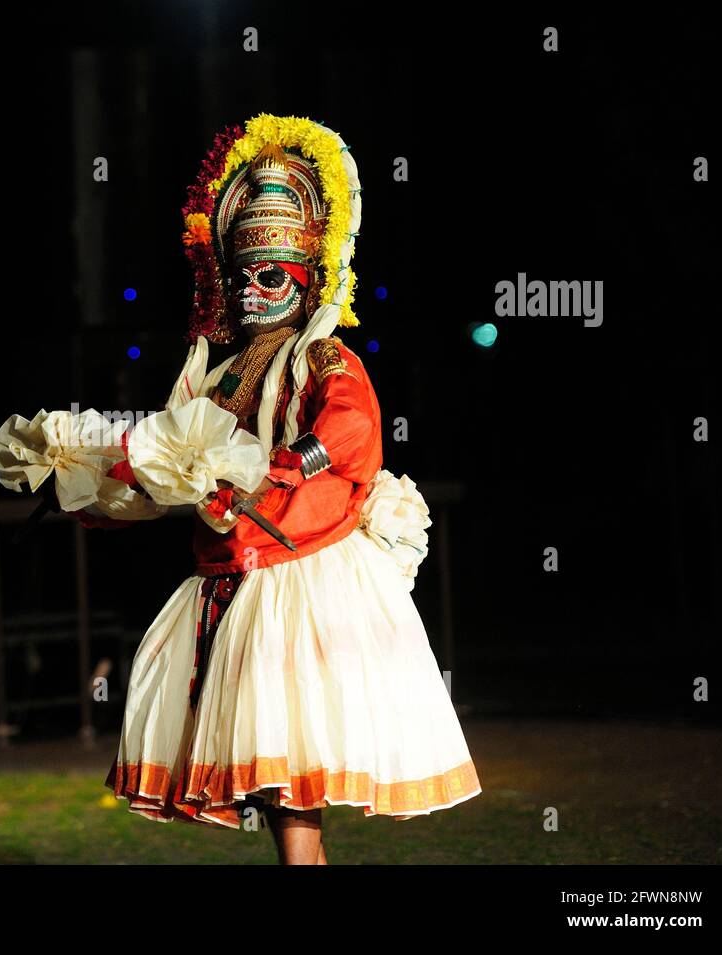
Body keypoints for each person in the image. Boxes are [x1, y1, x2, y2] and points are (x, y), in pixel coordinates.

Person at [88, 115, 480, 863]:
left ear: (307, 278)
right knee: (278, 798)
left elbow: (353, 423)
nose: (251, 292)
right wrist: (100, 487)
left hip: (298, 579)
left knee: (289, 788)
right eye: (241, 278)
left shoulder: (319, 353)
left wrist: (286, 465)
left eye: (272, 276)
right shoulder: (219, 372)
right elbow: (172, 451)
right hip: (232, 579)